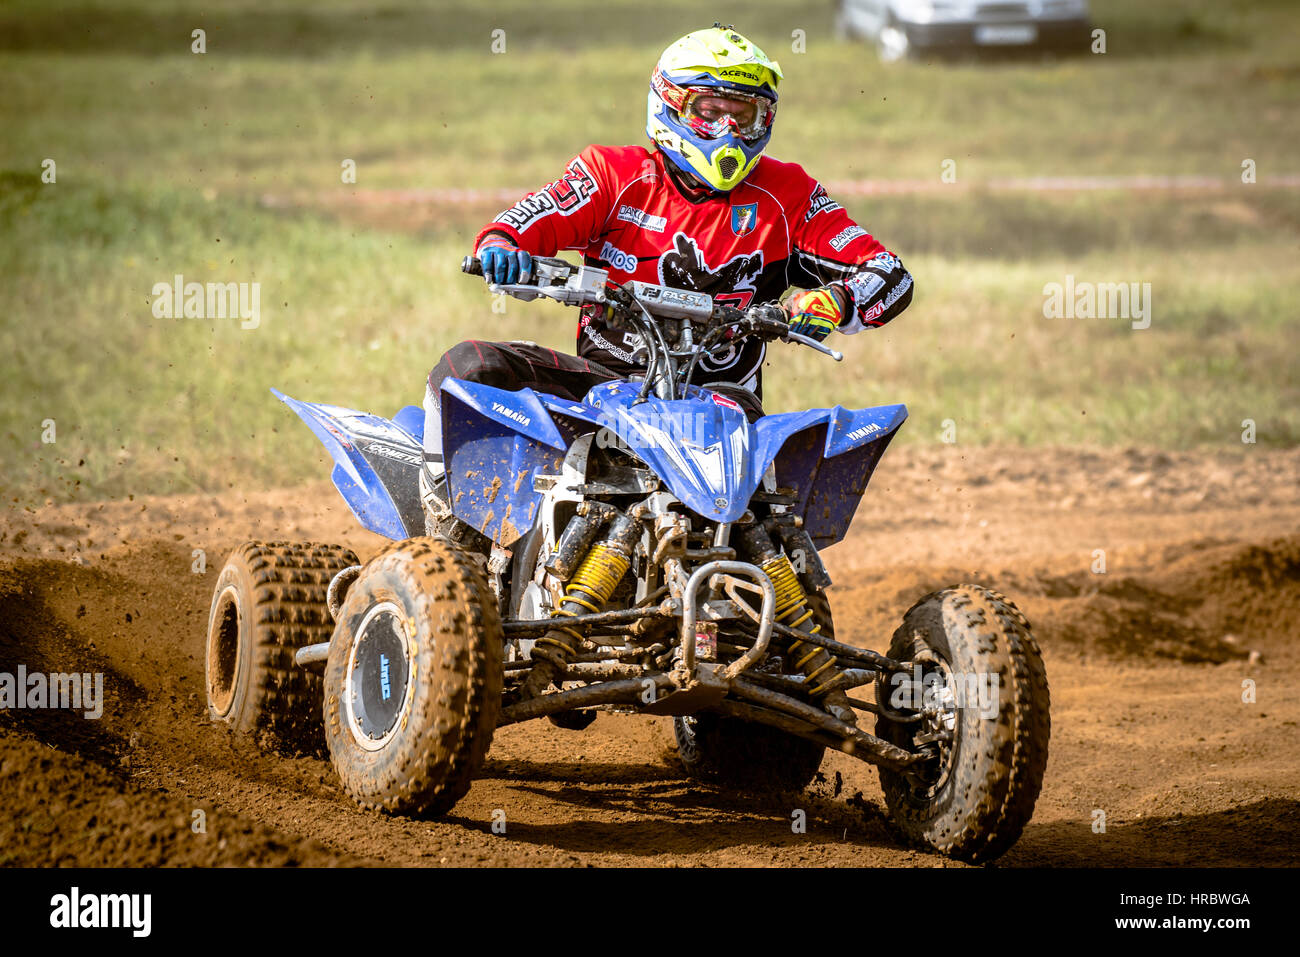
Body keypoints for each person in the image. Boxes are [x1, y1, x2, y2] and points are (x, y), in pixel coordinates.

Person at [421, 24, 914, 528]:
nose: (728, 131)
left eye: (743, 115)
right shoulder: (611, 175)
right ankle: (449, 516)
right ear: (671, 105)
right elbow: (523, 223)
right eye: (710, 110)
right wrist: (504, 249)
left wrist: (834, 301)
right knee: (470, 366)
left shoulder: (789, 194)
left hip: (723, 408)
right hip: (601, 392)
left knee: (789, 513)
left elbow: (889, 275)